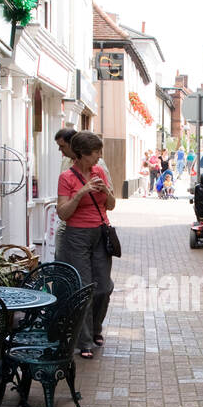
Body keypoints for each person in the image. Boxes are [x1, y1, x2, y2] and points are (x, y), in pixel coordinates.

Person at [56, 131, 116, 358]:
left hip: (100, 233)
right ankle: (85, 342)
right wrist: (81, 192)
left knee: (103, 287)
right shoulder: (66, 178)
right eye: (96, 152)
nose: (100, 156)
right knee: (84, 289)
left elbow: (111, 205)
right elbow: (63, 213)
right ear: (82, 154)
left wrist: (106, 191)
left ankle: (96, 328)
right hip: (77, 236)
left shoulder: (99, 171)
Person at [52, 127, 78, 257]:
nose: (59, 150)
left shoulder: (96, 164)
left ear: (73, 143)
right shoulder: (65, 162)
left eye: (62, 146)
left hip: (84, 224)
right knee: (61, 259)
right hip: (64, 222)